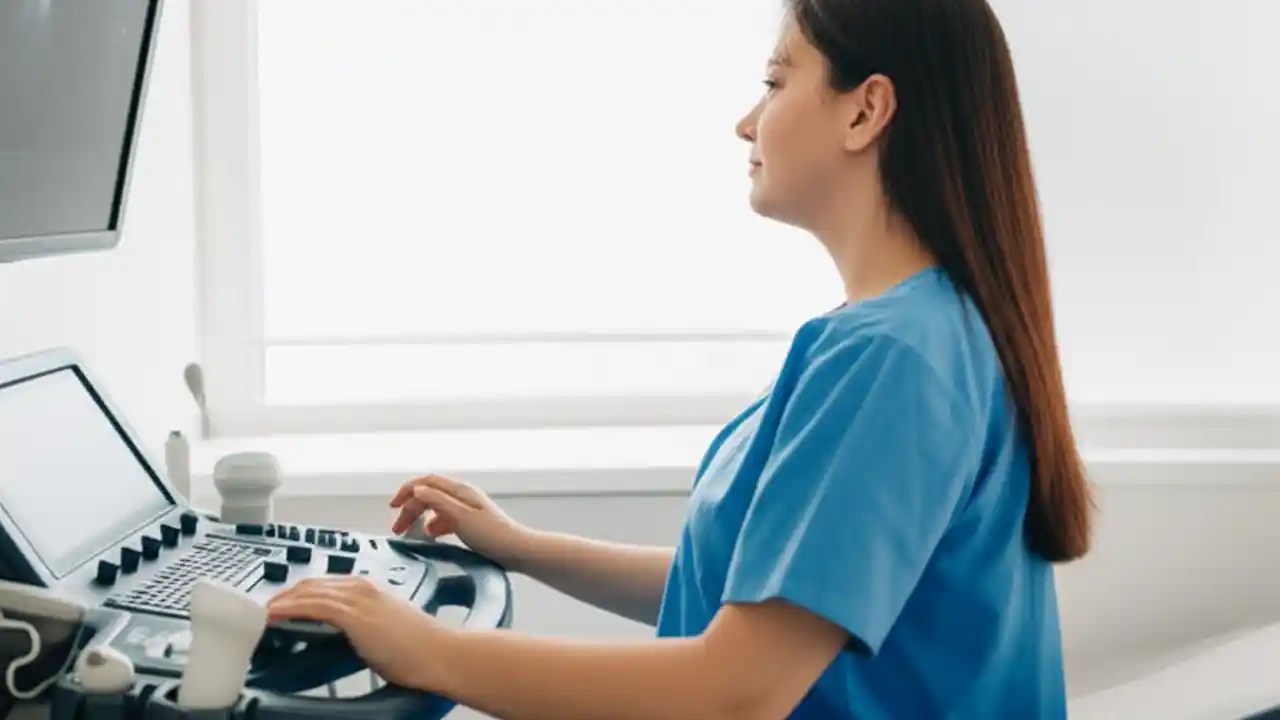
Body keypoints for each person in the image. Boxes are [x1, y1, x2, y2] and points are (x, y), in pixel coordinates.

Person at [265, 0, 1095, 717]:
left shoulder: (893, 360)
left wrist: (424, 651)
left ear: (864, 111)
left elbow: (734, 693)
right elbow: (744, 595)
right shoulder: (917, 331)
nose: (746, 121)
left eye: (775, 83)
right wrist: (520, 546)